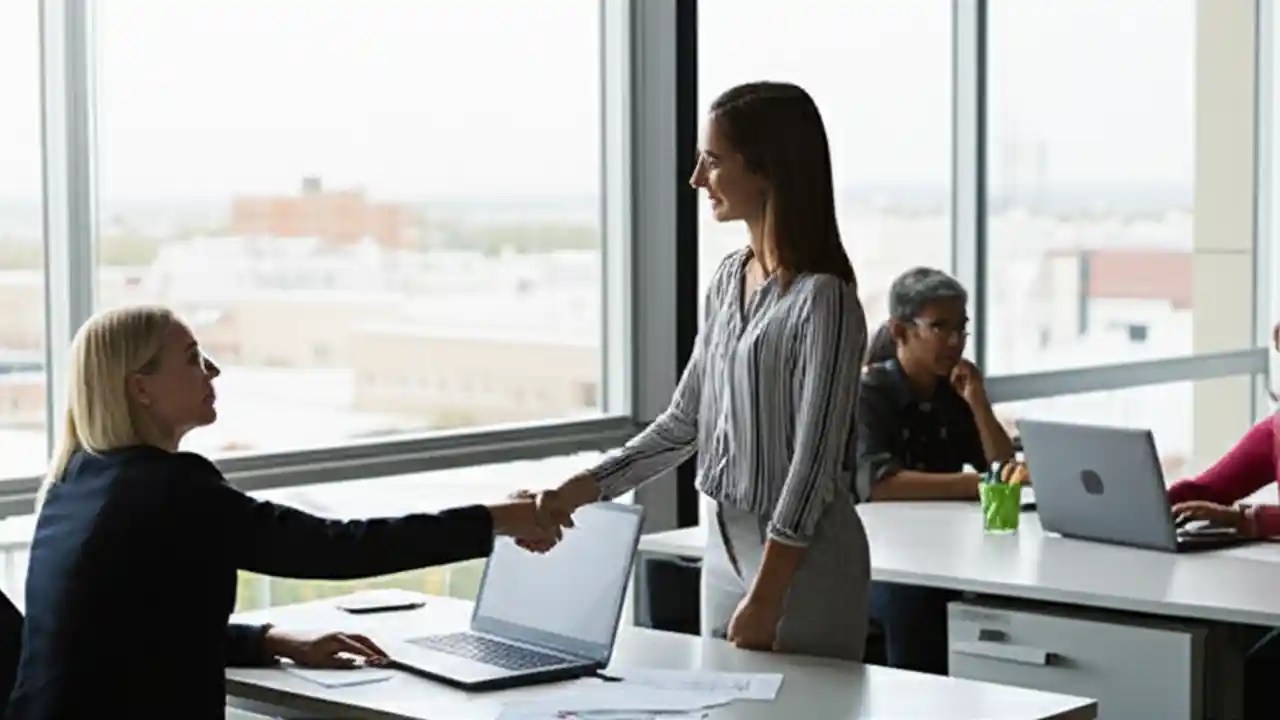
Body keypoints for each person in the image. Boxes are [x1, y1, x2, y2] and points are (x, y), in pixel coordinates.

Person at [7, 305, 555, 719]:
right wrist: (495, 519)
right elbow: (334, 547)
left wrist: (267, 640)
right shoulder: (169, 487)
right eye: (194, 357)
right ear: (141, 388)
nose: (213, 371)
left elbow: (129, 633)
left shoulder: (75, 482)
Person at [517, 82, 869, 660]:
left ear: (766, 169)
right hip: (724, 544)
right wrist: (571, 493)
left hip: (802, 563)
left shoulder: (824, 300)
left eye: (712, 160)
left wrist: (769, 593)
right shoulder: (729, 280)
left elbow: (811, 467)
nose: (697, 178)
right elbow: (684, 424)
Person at [856, 267, 1016, 675]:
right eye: (940, 328)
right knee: (916, 605)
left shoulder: (953, 391)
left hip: (943, 554)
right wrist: (975, 485)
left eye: (962, 329)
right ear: (900, 332)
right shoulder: (868, 393)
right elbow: (880, 485)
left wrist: (978, 401)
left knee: (1006, 605)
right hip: (880, 562)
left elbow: (1003, 469)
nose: (955, 341)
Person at [1165, 321, 1280, 720]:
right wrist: (1135, 496)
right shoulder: (1276, 429)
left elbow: (1235, 512)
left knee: (1256, 673)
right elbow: (1207, 489)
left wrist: (1248, 521)